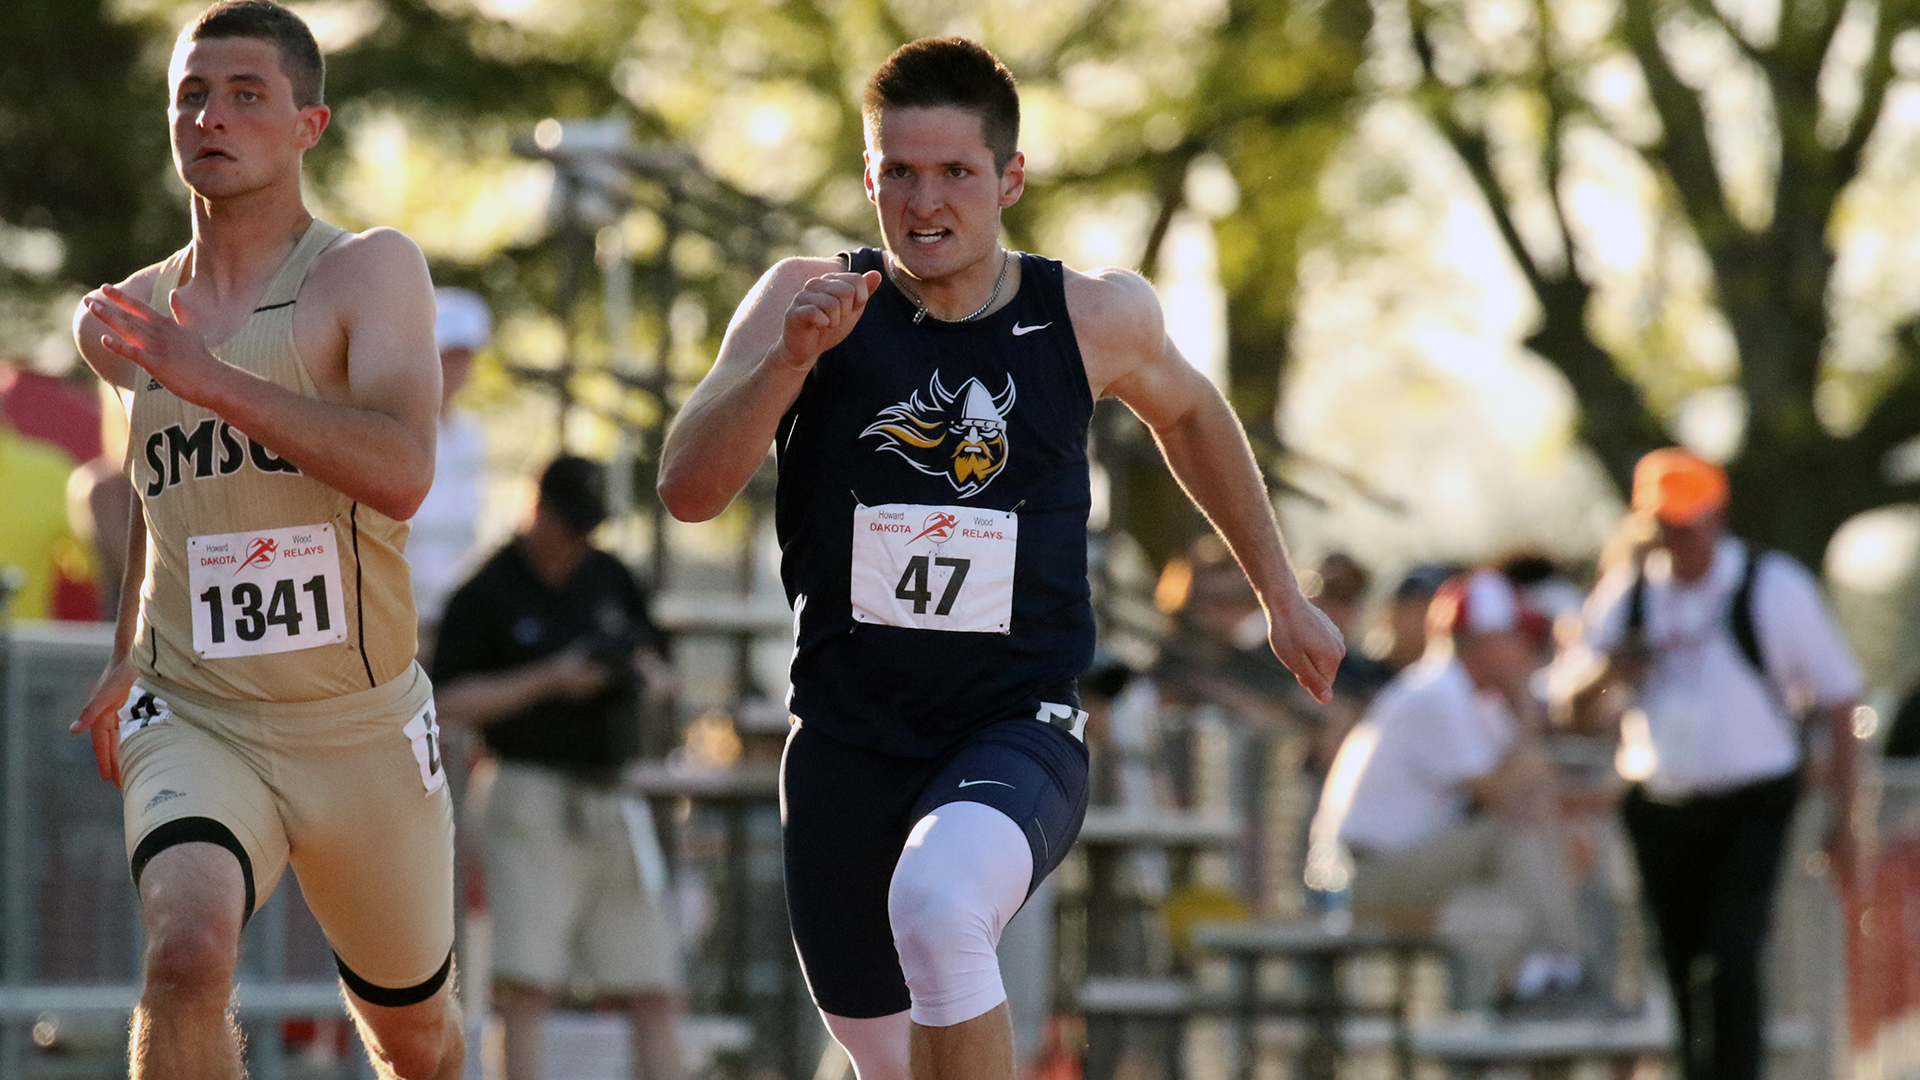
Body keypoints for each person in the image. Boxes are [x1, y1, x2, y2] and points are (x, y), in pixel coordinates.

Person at [655, 37, 1344, 1080]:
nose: (926, 203)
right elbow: (687, 491)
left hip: (1015, 726)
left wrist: (1281, 596)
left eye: (957, 174)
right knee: (887, 1062)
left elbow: (1197, 416)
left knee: (939, 908)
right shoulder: (805, 303)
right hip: (846, 740)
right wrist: (788, 366)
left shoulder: (1093, 315)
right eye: (902, 173)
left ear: (1010, 179)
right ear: (869, 177)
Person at [67, 3, 460, 1077]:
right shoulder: (129, 317)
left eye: (247, 95)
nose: (212, 115)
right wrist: (121, 655)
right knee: (187, 957)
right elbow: (162, 494)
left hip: (359, 727)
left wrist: (213, 381)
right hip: (199, 712)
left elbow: (402, 470)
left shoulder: (367, 274)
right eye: (192, 94)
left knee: (418, 1042)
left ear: (308, 124)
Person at [1562, 447, 1863, 1080]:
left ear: (1716, 517)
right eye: (1665, 524)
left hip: (1754, 799)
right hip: (1662, 804)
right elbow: (1574, 709)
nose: (1678, 538)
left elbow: (1839, 697)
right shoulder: (1630, 595)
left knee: (1732, 957)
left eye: (1688, 523)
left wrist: (1846, 816)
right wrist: (1612, 671)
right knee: (1676, 961)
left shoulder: (1773, 585)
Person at [431, 455, 685, 1080]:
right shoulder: (487, 589)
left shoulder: (610, 577)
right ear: (536, 510)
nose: (580, 540)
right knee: (527, 982)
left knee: (651, 980)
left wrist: (637, 677)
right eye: (570, 524)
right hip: (525, 789)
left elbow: (662, 670)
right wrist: (548, 680)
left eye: (589, 527)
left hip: (611, 793)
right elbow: (445, 701)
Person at [1311, 569, 1587, 1009]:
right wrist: (1528, 722)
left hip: (1405, 872)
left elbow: (1538, 795)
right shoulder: (1436, 692)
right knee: (1509, 833)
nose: (1526, 652)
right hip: (1360, 879)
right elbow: (1503, 796)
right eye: (1517, 637)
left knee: (1509, 912)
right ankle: (1561, 970)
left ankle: (1540, 985)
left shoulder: (1469, 696)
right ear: (1485, 640)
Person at [411, 287, 491, 637]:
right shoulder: (400, 429)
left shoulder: (471, 435)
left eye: (464, 356)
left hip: (454, 619)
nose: (457, 367)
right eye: (447, 355)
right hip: (404, 617)